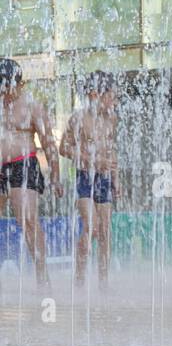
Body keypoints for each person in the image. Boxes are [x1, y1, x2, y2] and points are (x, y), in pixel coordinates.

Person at [0, 58, 61, 287]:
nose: (5, 93)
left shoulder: (32, 106)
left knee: (27, 220)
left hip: (23, 165)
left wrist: (55, 177)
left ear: (19, 83)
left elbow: (49, 144)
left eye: (8, 87)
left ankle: (42, 277)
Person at [60, 70, 118, 288]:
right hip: (85, 176)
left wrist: (116, 178)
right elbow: (63, 148)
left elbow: (112, 150)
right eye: (111, 96)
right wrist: (91, 160)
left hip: (104, 178)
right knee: (92, 228)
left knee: (105, 232)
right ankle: (79, 279)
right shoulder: (79, 118)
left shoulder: (111, 119)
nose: (114, 101)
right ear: (95, 94)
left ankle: (104, 283)